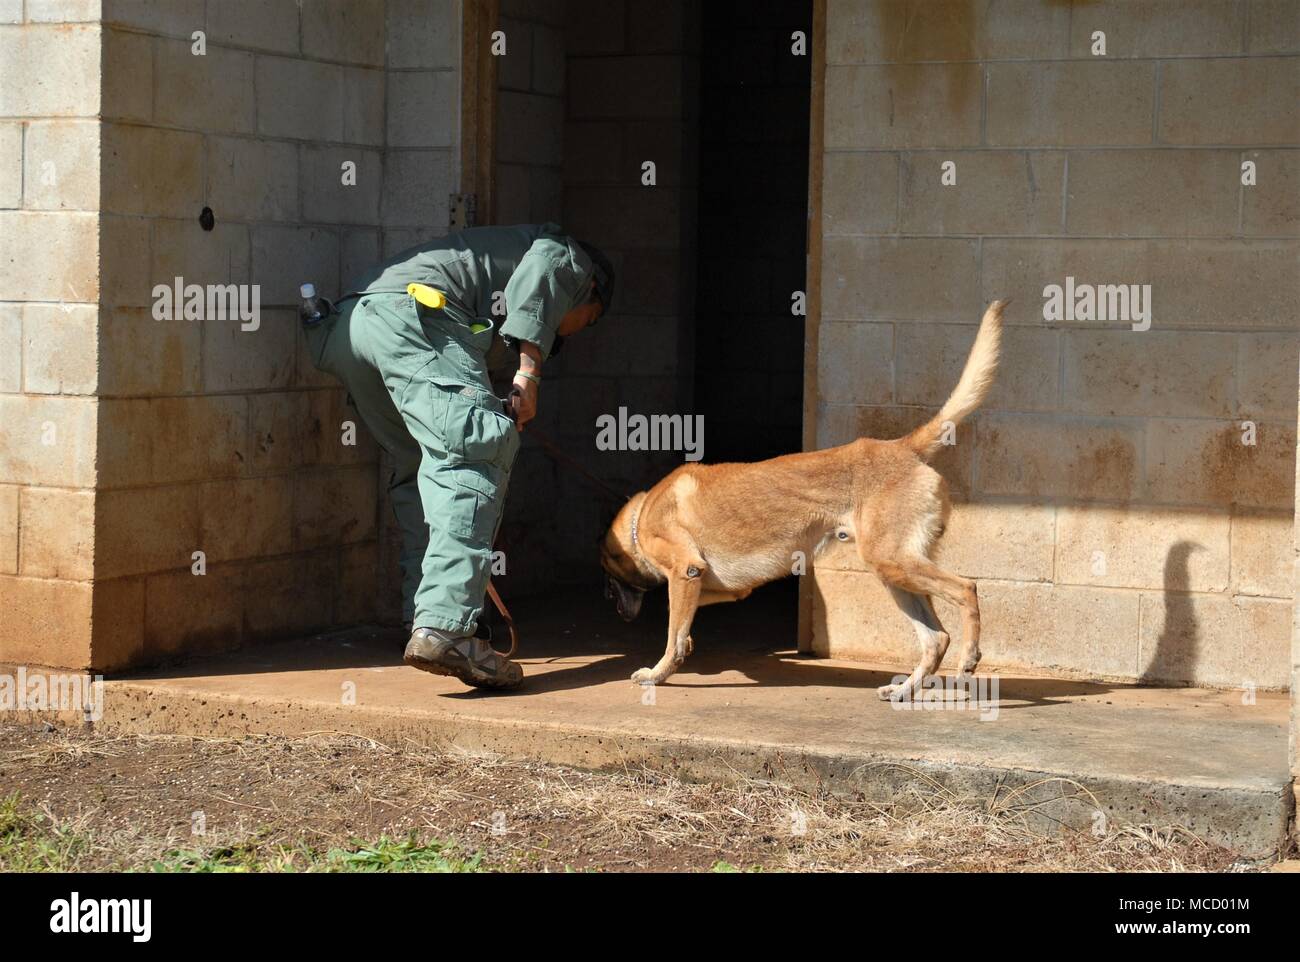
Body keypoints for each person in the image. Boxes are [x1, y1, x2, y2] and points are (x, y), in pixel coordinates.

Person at [304, 224, 614, 691]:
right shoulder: (574, 260)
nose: (578, 331)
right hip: (415, 315)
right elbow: (549, 263)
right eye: (588, 321)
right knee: (476, 450)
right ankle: (446, 626)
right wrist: (528, 375)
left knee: (420, 468)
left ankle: (421, 616)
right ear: (591, 293)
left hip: (352, 327)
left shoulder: (489, 270)